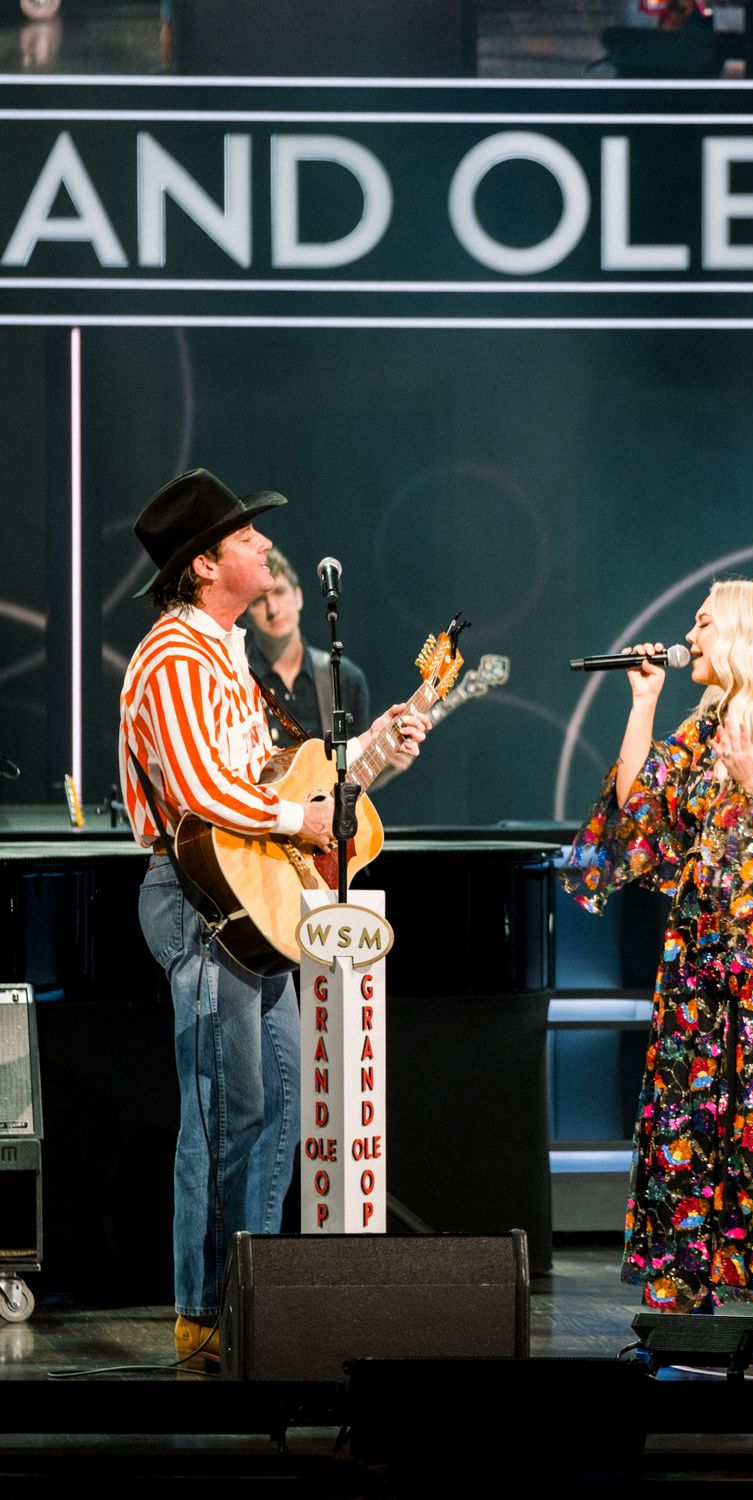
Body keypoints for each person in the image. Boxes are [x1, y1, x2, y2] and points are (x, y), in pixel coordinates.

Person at [119, 468, 426, 1364]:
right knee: (227, 1110)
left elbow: (272, 781)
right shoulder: (175, 653)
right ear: (207, 564)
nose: (263, 546)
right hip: (201, 901)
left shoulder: (226, 654)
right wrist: (303, 817)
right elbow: (203, 789)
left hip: (254, 902)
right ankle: (203, 1317)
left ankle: (250, 1297)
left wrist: (369, 753)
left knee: (277, 1106)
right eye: (246, 537)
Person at [563, 579, 753, 1312]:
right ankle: (683, 1293)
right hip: (697, 970)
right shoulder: (703, 730)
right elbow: (637, 809)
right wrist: (642, 702)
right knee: (687, 1131)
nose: (689, 638)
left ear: (747, 636)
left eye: (703, 625)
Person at [244, 547, 371, 750]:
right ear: (245, 613)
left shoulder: (345, 678)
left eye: (280, 592)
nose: (273, 609)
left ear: (299, 596)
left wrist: (387, 762)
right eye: (259, 600)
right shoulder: (238, 680)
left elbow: (355, 773)